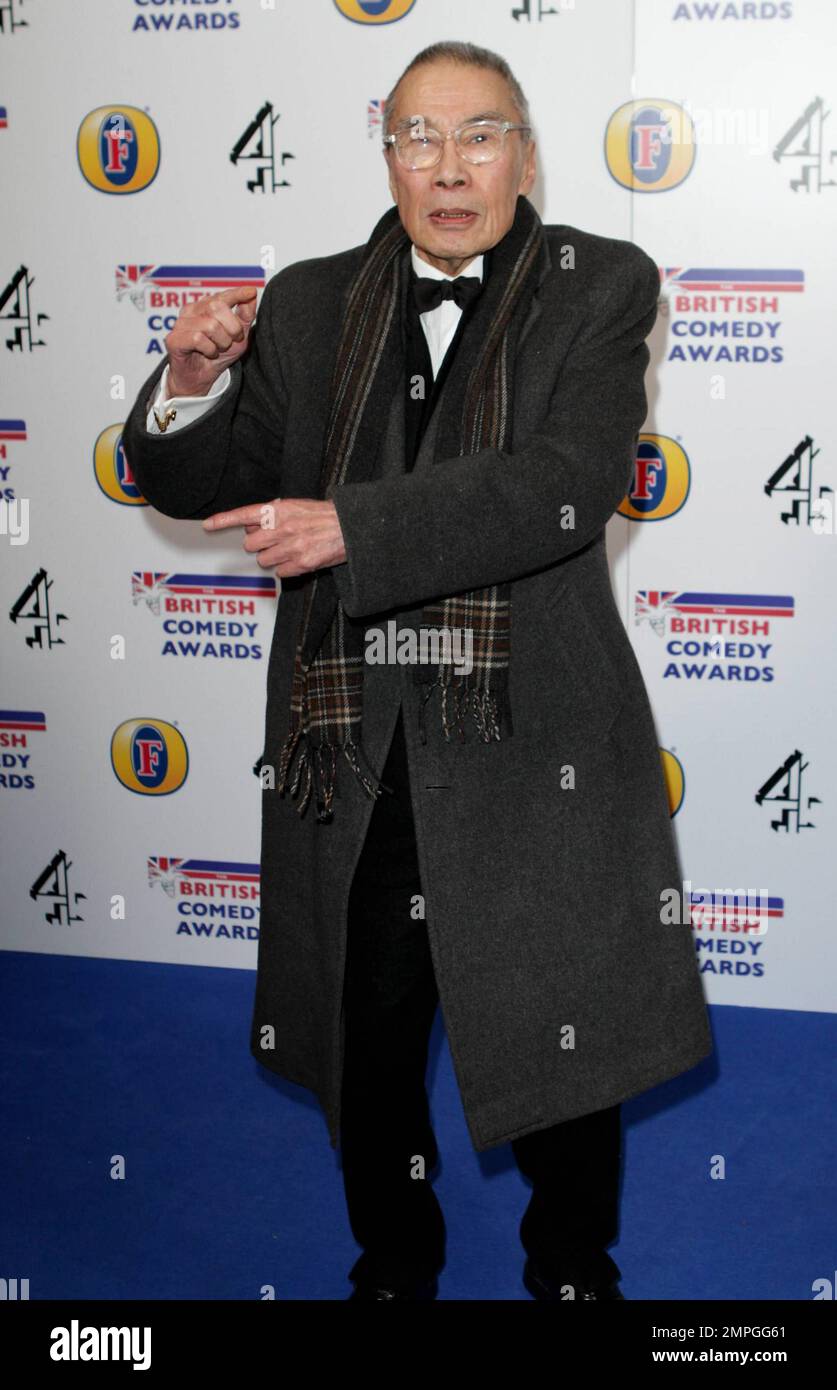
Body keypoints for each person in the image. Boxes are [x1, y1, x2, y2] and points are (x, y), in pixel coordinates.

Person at [123, 40, 713, 1301]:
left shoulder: (601, 283)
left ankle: (571, 1269)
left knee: (559, 1040)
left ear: (527, 151)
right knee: (371, 1044)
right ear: (386, 155)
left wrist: (358, 528)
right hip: (361, 740)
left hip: (531, 735)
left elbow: (568, 484)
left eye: (479, 135)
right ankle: (393, 1269)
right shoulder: (310, 300)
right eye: (417, 139)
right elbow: (206, 480)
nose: (449, 169)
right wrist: (183, 388)